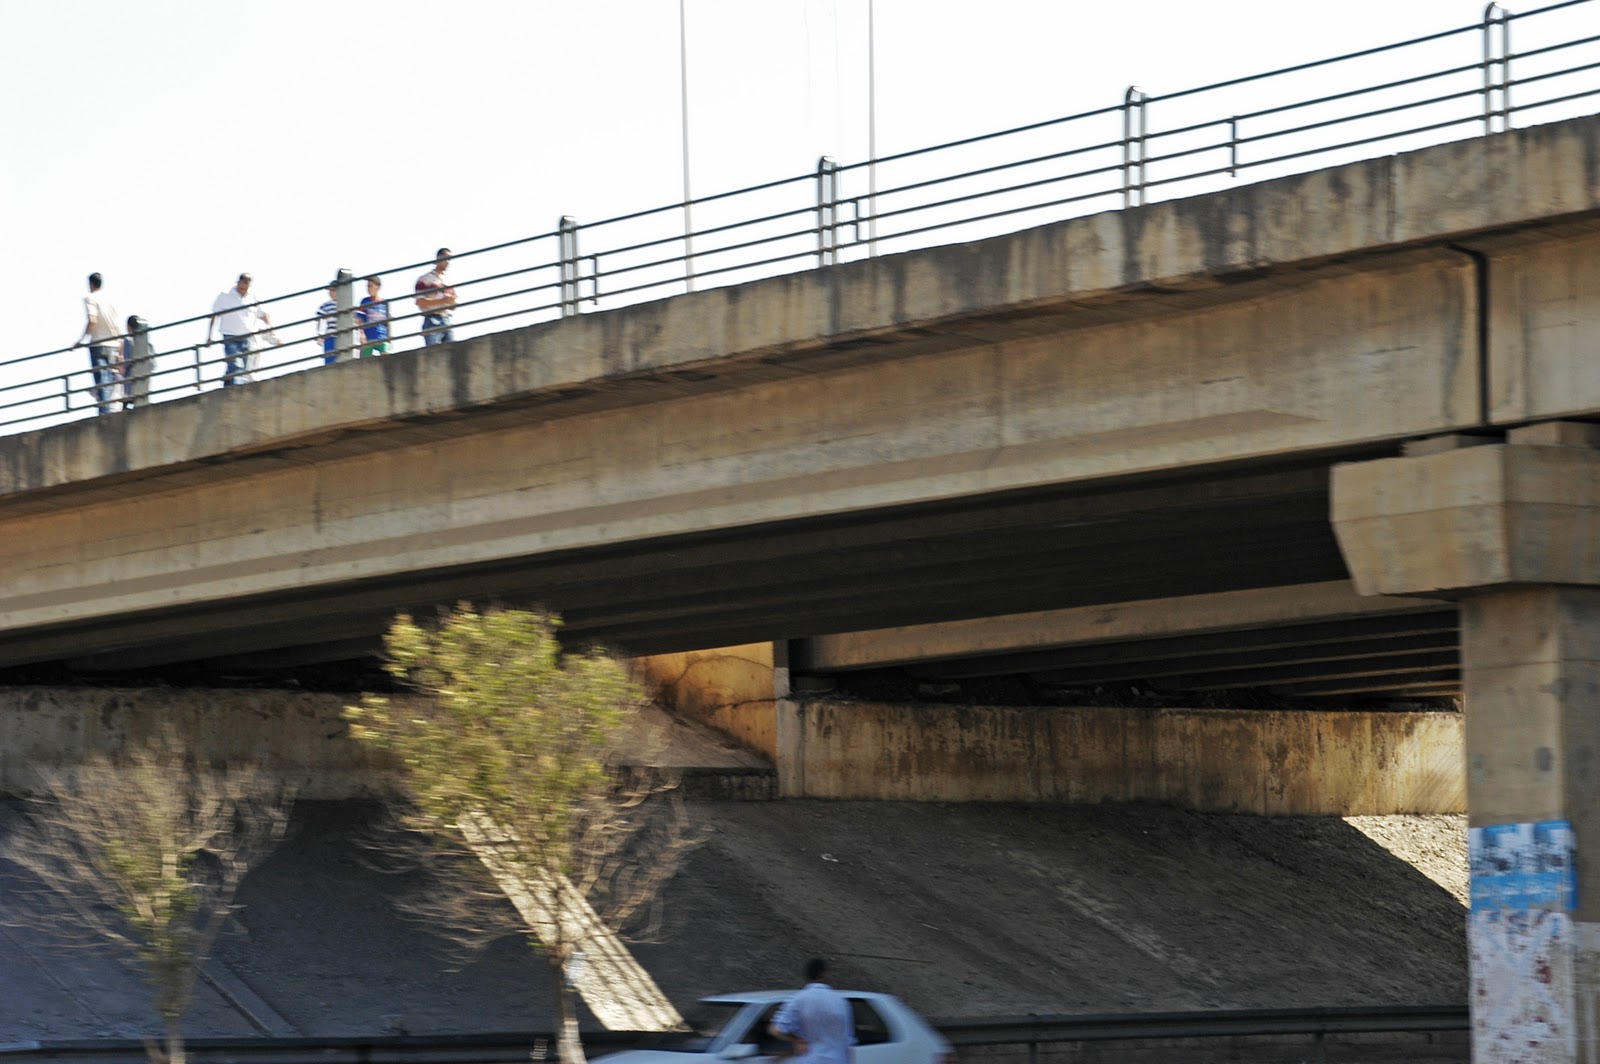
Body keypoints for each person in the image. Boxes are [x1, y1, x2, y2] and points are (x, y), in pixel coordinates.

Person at [770, 959, 854, 1064]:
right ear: (824, 974)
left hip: (810, 1059)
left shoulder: (798, 999)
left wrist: (796, 1040)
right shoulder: (841, 1001)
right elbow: (848, 1043)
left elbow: (776, 1030)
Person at [205, 273, 273, 386]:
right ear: (238, 283)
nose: (243, 289)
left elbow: (264, 314)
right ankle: (233, 388)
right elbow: (214, 316)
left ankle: (227, 384)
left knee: (246, 366)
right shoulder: (224, 296)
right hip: (230, 336)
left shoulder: (253, 298)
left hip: (247, 336)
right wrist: (209, 336)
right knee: (236, 365)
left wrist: (270, 327)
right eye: (241, 286)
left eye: (246, 287)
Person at [74, 273, 122, 414]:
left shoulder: (90, 298)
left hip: (98, 344)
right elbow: (117, 325)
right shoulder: (110, 300)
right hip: (113, 344)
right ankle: (109, 410)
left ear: (91, 284)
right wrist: (120, 347)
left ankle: (104, 412)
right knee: (109, 380)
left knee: (101, 381)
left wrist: (82, 340)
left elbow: (92, 320)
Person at [414, 247, 457, 346]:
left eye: (450, 259)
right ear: (438, 258)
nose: (448, 262)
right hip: (432, 319)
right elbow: (420, 302)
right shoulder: (425, 279)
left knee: (452, 353)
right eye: (446, 258)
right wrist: (443, 301)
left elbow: (454, 304)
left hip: (447, 319)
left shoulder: (449, 281)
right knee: (433, 353)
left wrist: (451, 302)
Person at [357, 275, 390, 357]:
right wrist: (361, 334)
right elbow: (359, 319)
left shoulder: (384, 303)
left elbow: (387, 322)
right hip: (369, 336)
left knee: (387, 356)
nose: (369, 288)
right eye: (368, 286)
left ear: (378, 287)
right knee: (365, 360)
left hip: (382, 336)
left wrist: (389, 337)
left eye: (371, 286)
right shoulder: (365, 301)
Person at [316, 281, 341, 365]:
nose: (331, 293)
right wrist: (320, 334)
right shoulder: (326, 305)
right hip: (330, 336)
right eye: (330, 290)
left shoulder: (346, 304)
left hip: (342, 335)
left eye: (333, 290)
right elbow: (320, 319)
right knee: (329, 361)